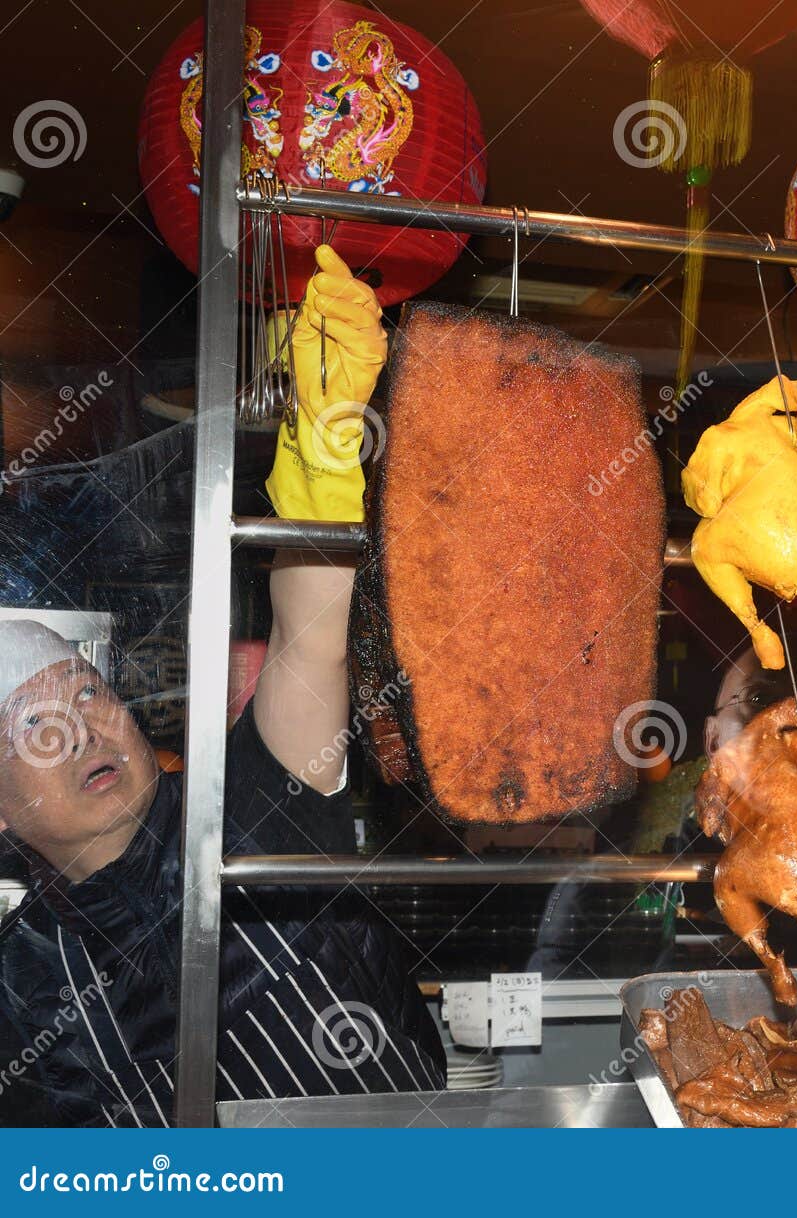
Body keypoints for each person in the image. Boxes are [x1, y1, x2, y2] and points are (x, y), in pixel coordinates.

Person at [0, 247, 443, 1127]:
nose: (80, 732)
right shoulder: (21, 992)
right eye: (32, 726)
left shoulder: (247, 801)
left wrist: (324, 443)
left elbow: (312, 638)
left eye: (88, 695)